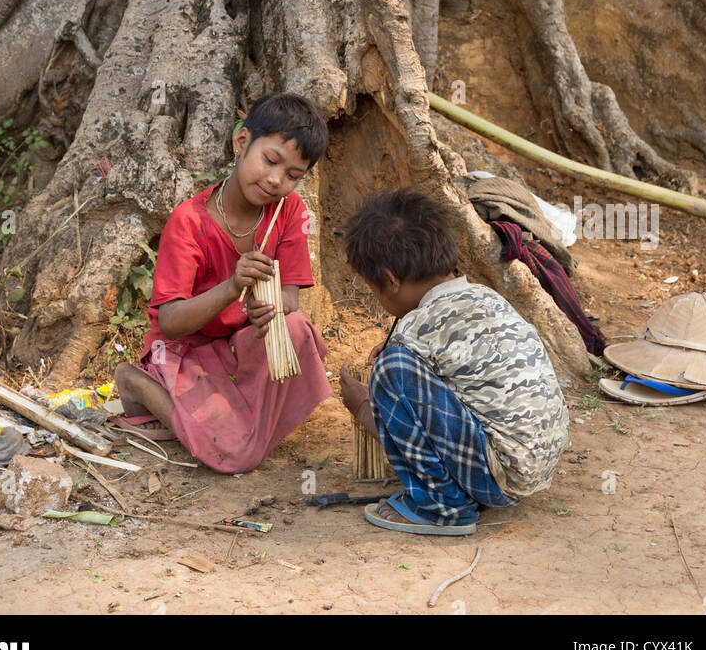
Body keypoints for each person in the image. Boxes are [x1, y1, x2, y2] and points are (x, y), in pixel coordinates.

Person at [114, 93, 333, 473]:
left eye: (293, 175)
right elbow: (171, 321)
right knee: (236, 454)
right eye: (271, 160)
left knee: (299, 331)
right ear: (241, 142)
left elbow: (289, 300)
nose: (276, 180)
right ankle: (138, 384)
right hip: (187, 353)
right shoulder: (190, 222)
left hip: (237, 351)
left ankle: (224, 423)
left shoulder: (290, 211)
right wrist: (232, 287)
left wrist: (270, 309)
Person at [338, 189, 569, 535]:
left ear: (390, 279)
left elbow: (402, 423)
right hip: (536, 468)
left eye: (374, 287)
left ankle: (443, 507)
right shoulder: (487, 297)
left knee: (390, 370)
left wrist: (361, 404)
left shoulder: (415, 331)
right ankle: (464, 487)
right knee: (399, 367)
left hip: (501, 475)